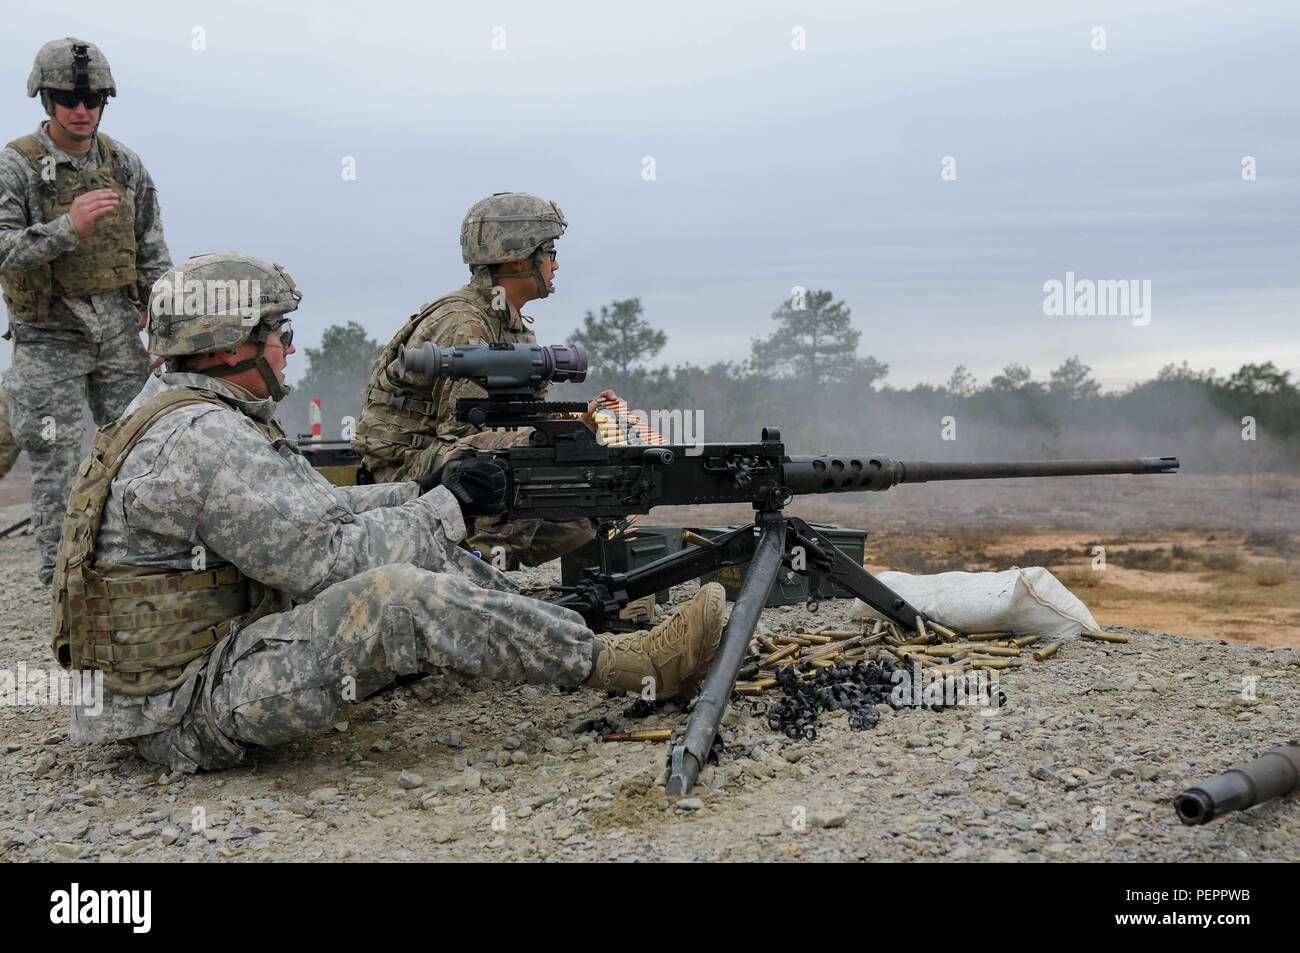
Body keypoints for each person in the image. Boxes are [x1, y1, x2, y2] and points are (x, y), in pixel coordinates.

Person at [51, 252, 724, 773]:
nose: (288, 344)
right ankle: (626, 666)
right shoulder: (206, 437)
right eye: (277, 330)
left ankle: (567, 636)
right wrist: (452, 506)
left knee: (425, 539)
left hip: (160, 689)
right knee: (396, 595)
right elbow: (332, 559)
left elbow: (315, 512)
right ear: (229, 346)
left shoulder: (173, 408)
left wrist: (425, 489)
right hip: (177, 712)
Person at [353, 192, 606, 570]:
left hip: (445, 458)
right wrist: (540, 440)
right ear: (521, 257)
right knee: (517, 458)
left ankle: (482, 567)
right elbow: (462, 435)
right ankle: (460, 575)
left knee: (577, 509)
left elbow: (516, 417)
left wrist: (574, 429)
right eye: (549, 252)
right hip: (406, 473)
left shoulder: (507, 322)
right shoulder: (464, 323)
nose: (555, 263)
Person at [0, 38, 171, 585]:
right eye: (68, 98)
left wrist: (161, 323)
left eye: (93, 98)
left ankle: (133, 568)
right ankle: (61, 586)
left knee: (138, 449)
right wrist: (65, 228)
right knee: (53, 464)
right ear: (45, 99)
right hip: (48, 333)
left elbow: (153, 252)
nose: (82, 109)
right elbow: (4, 248)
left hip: (119, 334)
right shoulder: (18, 167)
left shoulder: (124, 165)